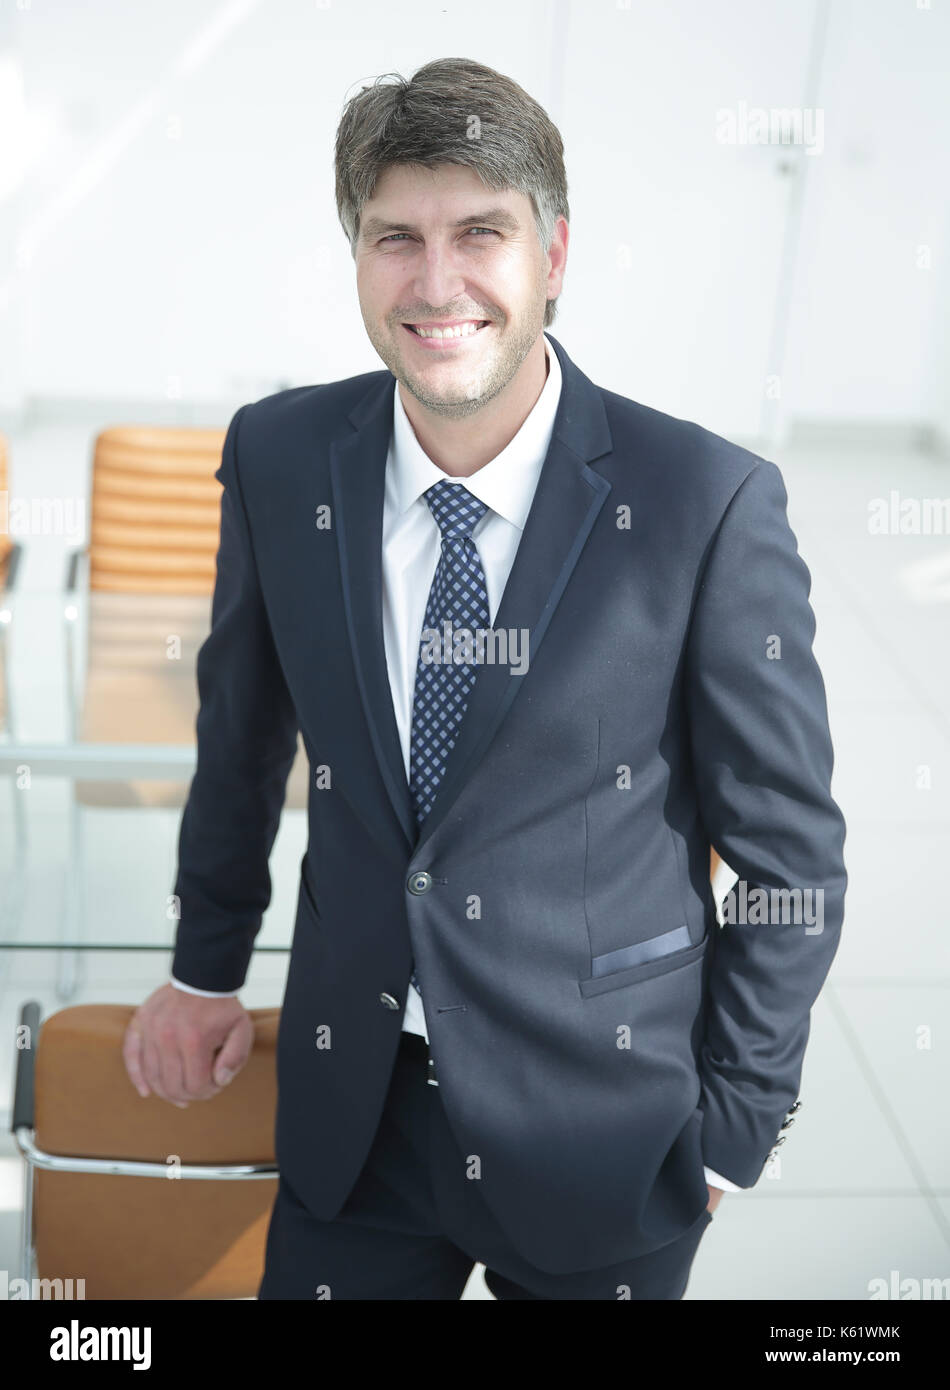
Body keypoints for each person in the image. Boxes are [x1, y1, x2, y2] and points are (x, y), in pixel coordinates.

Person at [123, 57, 847, 1300]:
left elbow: (789, 863)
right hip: (358, 1112)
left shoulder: (701, 505)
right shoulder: (280, 456)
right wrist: (204, 967)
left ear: (553, 255)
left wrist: (734, 1117)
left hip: (598, 1131)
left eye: (480, 233)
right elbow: (239, 735)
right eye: (394, 236)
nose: (437, 282)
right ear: (353, 255)